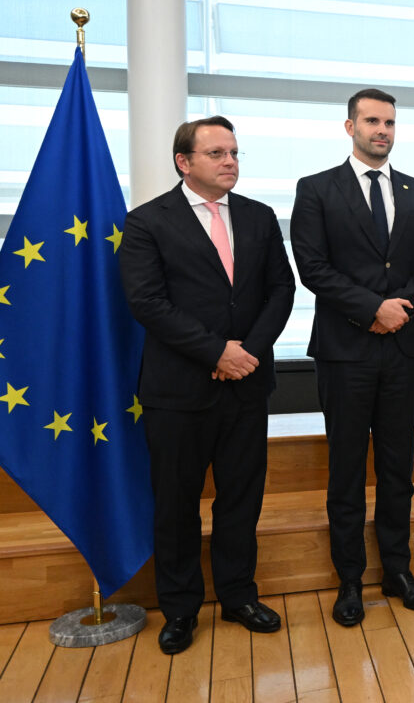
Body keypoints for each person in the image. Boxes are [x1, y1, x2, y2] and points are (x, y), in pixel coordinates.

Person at [121, 116, 295, 654]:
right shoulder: (147, 221)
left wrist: (247, 354)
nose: (230, 162)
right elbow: (147, 302)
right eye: (218, 153)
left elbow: (280, 291)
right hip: (178, 391)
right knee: (176, 504)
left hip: (246, 386)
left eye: (235, 153)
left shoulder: (259, 217)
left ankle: (239, 595)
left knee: (241, 499)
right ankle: (179, 609)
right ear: (184, 162)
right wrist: (216, 351)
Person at [291, 88, 414, 624]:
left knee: (398, 469)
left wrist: (400, 308)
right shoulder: (316, 189)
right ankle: (350, 580)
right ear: (349, 126)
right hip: (346, 350)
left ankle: (399, 571)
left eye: (389, 122)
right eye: (372, 121)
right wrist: (372, 308)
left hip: (403, 349)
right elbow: (312, 267)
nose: (382, 130)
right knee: (347, 470)